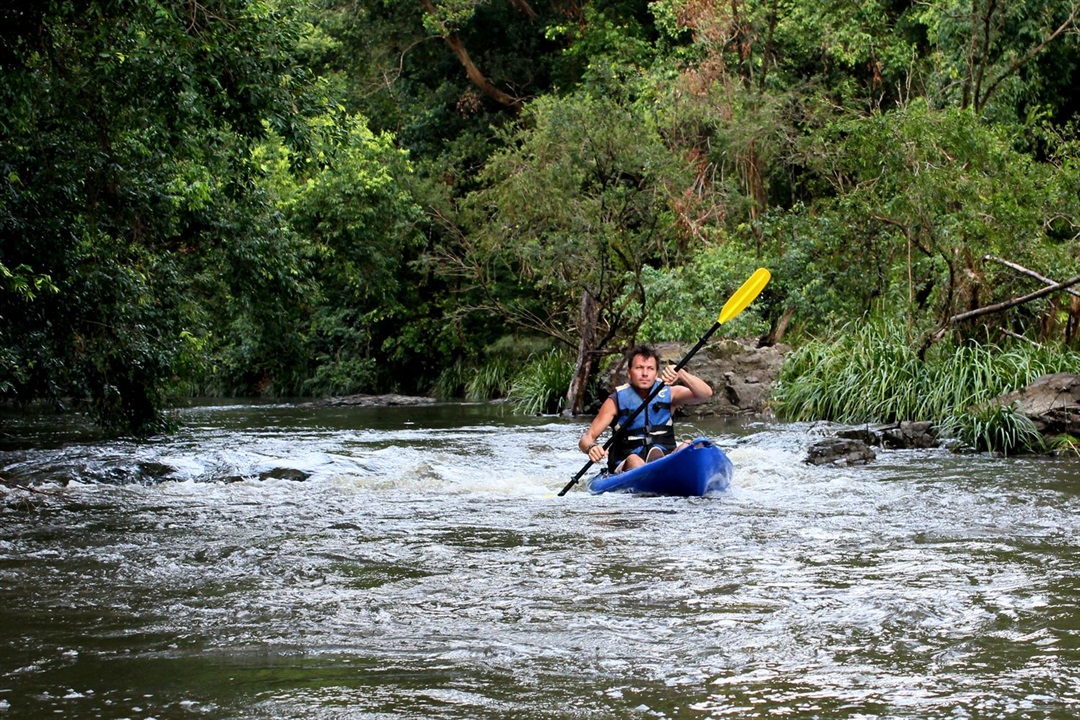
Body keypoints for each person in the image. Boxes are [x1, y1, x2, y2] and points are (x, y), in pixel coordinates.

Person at [578, 344, 713, 474]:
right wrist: (591, 448)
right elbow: (587, 438)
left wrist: (681, 373)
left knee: (688, 446)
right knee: (634, 460)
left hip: (666, 458)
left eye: (650, 368)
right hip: (627, 462)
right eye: (639, 368)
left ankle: (659, 465)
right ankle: (650, 471)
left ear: (656, 374)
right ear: (629, 373)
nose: (645, 373)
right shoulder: (615, 400)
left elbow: (705, 394)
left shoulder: (670, 394)